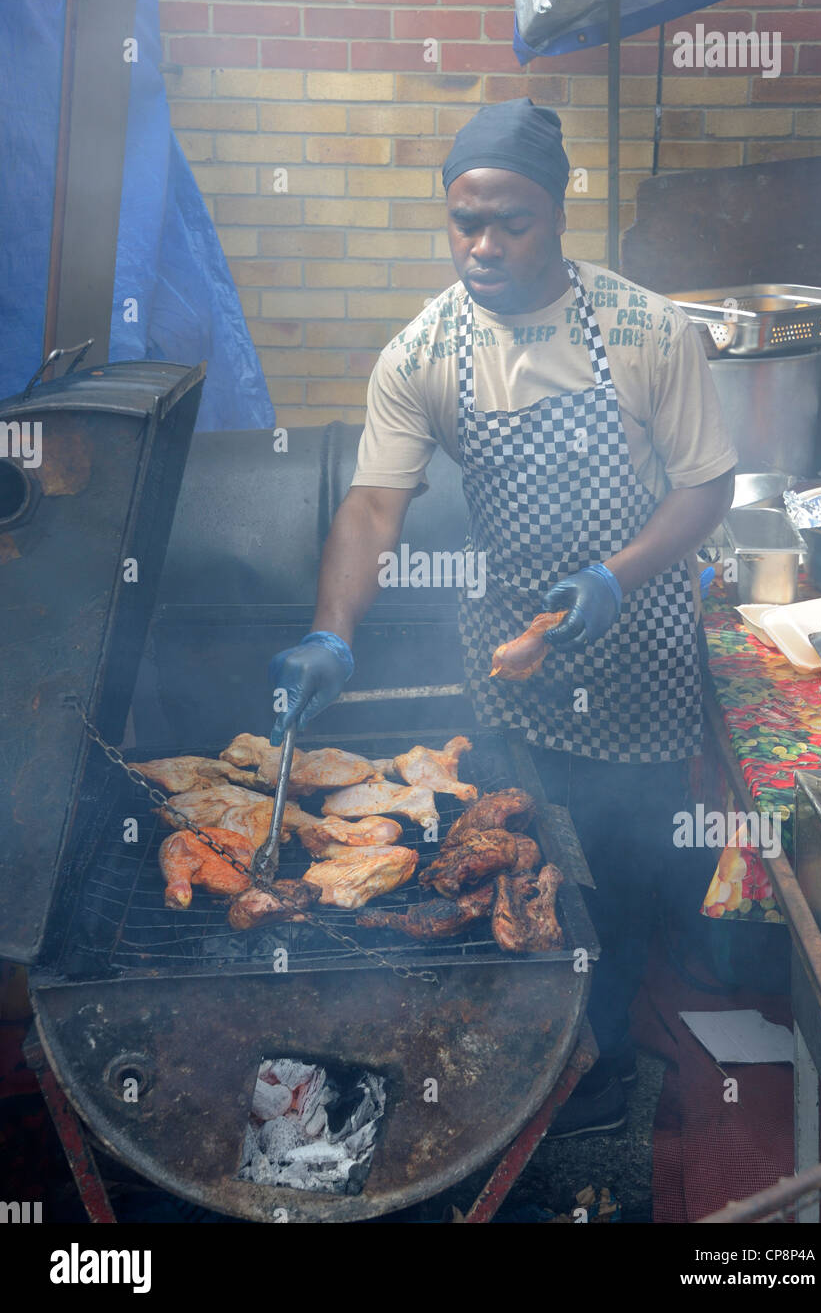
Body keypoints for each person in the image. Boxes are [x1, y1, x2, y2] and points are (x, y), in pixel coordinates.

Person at [269, 98, 736, 1137]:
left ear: (557, 212)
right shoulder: (426, 349)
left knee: (619, 882)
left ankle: (603, 1076)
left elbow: (706, 489)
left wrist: (613, 577)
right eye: (462, 222)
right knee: (518, 869)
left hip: (642, 653)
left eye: (508, 223)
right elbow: (372, 504)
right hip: (512, 665)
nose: (480, 246)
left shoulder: (646, 331)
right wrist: (332, 630)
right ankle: (529, 1064)